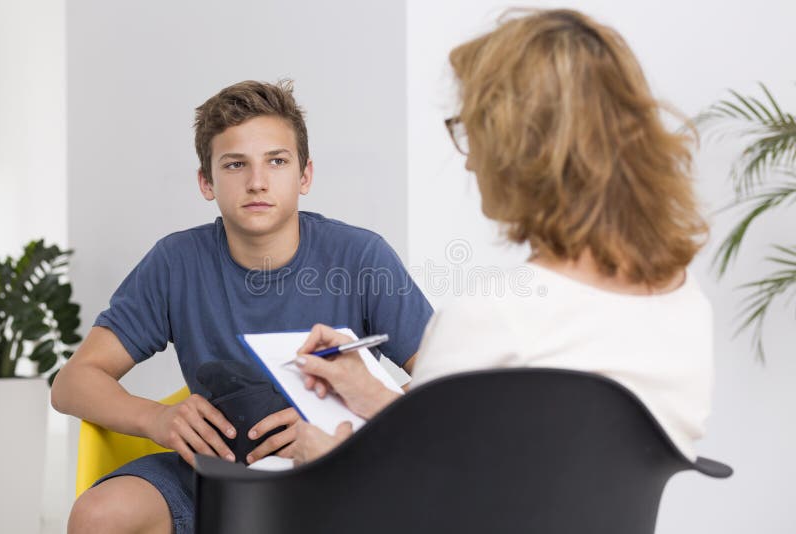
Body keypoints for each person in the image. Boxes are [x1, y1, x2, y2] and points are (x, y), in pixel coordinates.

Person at [287, 8, 713, 466]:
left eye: (471, 130)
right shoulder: (685, 306)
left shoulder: (490, 320)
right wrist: (372, 393)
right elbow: (518, 466)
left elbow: (423, 499)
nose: (469, 162)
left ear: (518, 148)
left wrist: (328, 460)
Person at [51, 80, 433, 534]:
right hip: (213, 475)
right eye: (235, 165)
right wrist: (157, 417)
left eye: (276, 161)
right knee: (99, 516)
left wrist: (345, 425)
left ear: (305, 175)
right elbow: (72, 382)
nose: (257, 182)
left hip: (336, 468)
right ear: (206, 182)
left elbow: (444, 380)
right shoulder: (176, 262)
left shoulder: (360, 256)